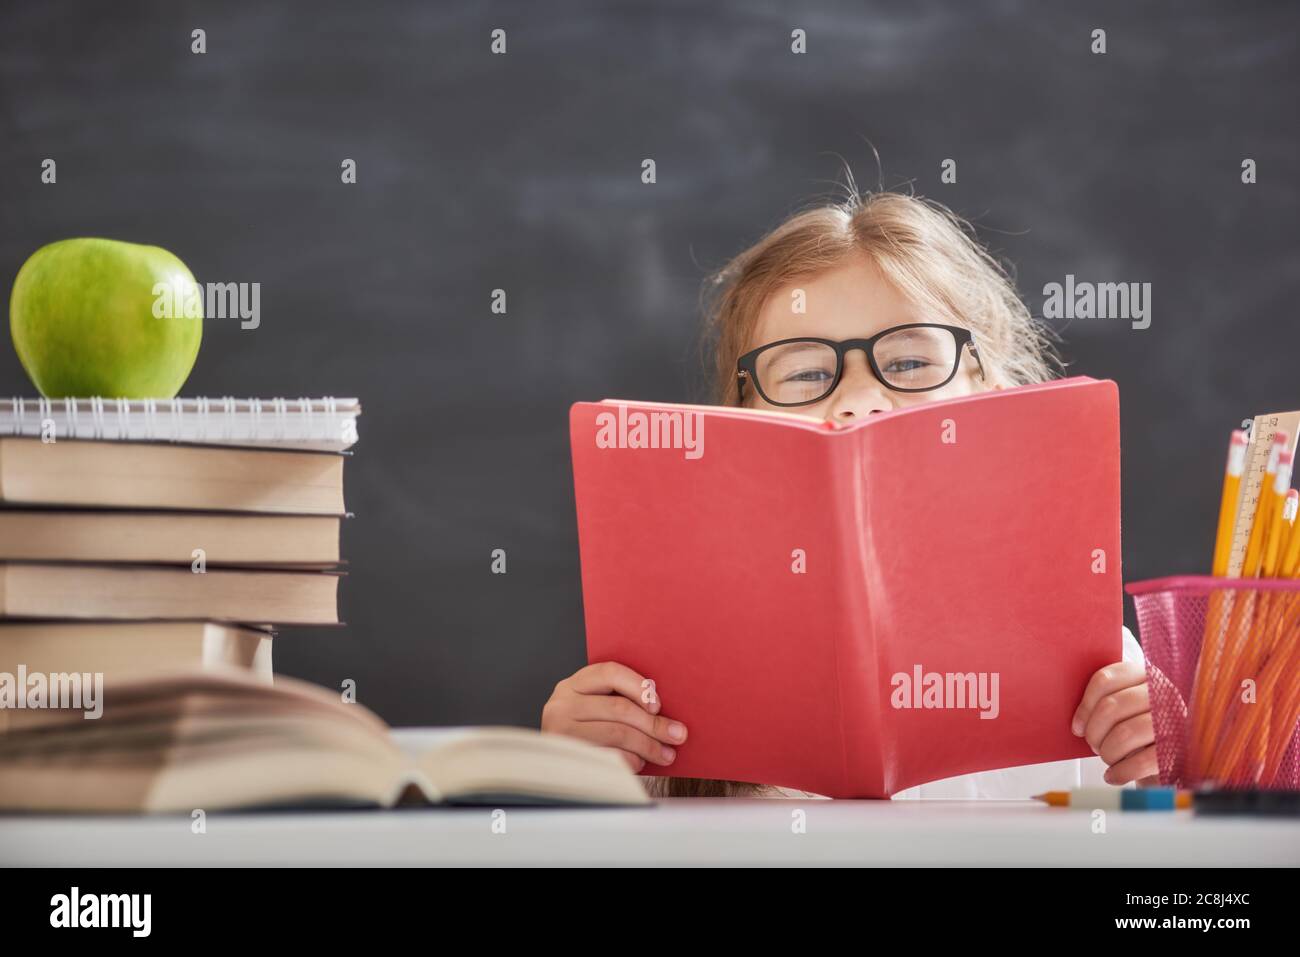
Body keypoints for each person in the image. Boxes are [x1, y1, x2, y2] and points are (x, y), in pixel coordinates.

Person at [542, 188, 1156, 798]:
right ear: (744, 414)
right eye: (807, 374)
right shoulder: (661, 678)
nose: (861, 398)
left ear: (990, 387)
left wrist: (1176, 759)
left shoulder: (1102, 668)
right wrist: (571, 775)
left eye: (911, 362)